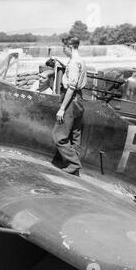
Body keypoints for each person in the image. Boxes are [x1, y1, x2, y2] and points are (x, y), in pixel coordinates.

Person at [52, 36, 87, 176]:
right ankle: (75, 166)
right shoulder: (81, 61)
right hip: (79, 100)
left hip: (71, 100)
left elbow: (71, 87)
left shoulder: (73, 63)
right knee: (75, 134)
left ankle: (73, 164)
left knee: (58, 135)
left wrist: (62, 108)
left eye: (64, 48)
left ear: (70, 47)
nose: (64, 50)